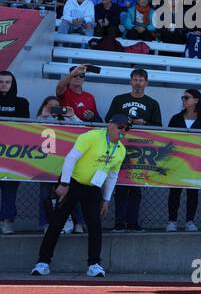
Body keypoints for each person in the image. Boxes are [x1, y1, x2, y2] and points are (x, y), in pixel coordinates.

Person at [31, 114, 135, 278]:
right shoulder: (91, 136)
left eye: (127, 128)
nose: (123, 131)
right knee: (57, 222)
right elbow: (71, 158)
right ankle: (42, 262)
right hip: (72, 182)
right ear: (110, 125)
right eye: (120, 127)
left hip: (92, 187)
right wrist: (64, 184)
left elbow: (112, 175)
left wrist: (106, 199)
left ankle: (94, 264)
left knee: (95, 225)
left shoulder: (121, 150)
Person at [105, 68, 162, 232]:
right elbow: (109, 119)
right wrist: (125, 121)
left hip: (142, 149)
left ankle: (133, 223)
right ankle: (119, 222)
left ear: (146, 83)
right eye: (135, 79)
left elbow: (158, 126)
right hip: (119, 146)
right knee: (120, 186)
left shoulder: (152, 103)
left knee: (136, 187)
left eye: (141, 80)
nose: (138, 83)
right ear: (130, 81)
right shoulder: (119, 99)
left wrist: (143, 123)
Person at [166, 89, 201, 231]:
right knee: (174, 192)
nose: (184, 100)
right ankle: (172, 221)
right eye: (183, 97)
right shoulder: (176, 118)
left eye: (186, 97)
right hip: (177, 161)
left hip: (195, 162)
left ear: (196, 100)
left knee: (193, 192)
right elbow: (168, 138)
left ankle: (190, 221)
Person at [0, 71, 31, 234]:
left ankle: (6, 221)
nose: (4, 84)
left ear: (13, 84)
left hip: (12, 154)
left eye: (7, 82)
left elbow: (23, 126)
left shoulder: (21, 102)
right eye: (1, 81)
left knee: (9, 189)